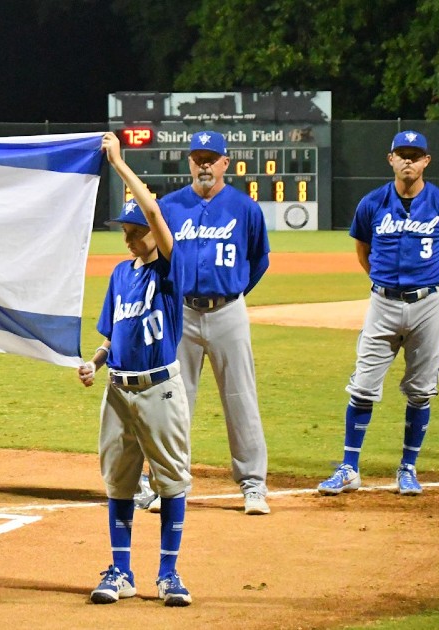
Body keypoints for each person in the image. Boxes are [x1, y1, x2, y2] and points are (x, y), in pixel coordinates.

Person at [318, 130, 439, 496]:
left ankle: (408, 468)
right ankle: (349, 468)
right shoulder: (372, 203)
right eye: (403, 154)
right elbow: (363, 250)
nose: (409, 161)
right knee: (363, 387)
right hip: (382, 303)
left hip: (428, 304)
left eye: (416, 155)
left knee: (421, 391)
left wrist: (430, 282)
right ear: (391, 159)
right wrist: (385, 284)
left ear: (427, 161)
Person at [82, 132, 193, 607]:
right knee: (120, 482)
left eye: (134, 230)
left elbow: (153, 212)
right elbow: (113, 336)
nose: (128, 236)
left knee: (170, 479)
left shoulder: (171, 267)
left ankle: (168, 573)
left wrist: (120, 165)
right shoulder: (120, 273)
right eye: (125, 231)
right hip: (117, 389)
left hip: (160, 390)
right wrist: (94, 361)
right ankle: (121, 571)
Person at [162, 130, 272, 515]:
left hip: (229, 312)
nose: (204, 165)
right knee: (172, 400)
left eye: (212, 158)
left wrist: (234, 293)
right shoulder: (170, 206)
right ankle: (170, 482)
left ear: (226, 163)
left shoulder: (245, 208)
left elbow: (259, 260)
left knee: (241, 399)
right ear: (189, 161)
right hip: (183, 314)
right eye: (198, 158)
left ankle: (253, 485)